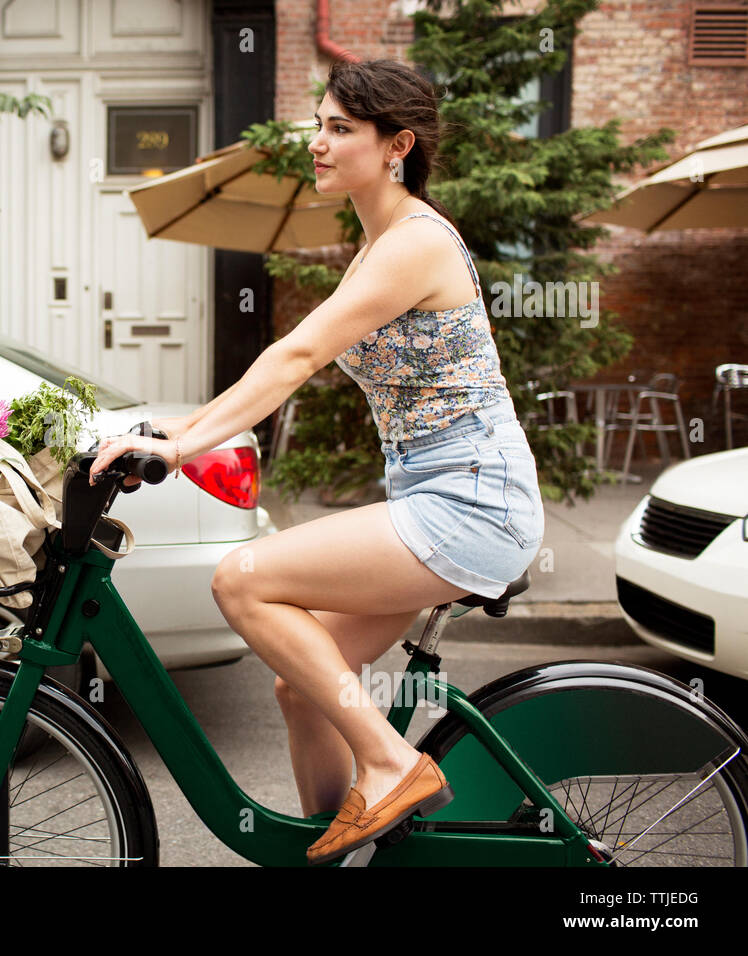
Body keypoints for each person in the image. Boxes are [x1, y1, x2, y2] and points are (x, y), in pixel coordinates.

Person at [88, 57, 545, 865]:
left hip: (471, 502)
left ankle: (392, 761)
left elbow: (295, 355)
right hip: (438, 495)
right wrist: (176, 425)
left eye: (340, 129)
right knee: (302, 687)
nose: (318, 142)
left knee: (242, 578)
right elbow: (288, 361)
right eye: (320, 124)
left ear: (396, 144)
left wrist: (185, 445)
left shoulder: (415, 243)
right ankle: (335, 850)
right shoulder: (377, 247)